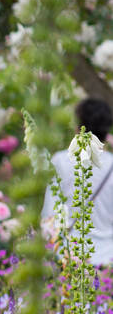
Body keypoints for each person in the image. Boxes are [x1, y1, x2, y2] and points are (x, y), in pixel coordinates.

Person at [42, 97, 113, 265]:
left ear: (78, 126)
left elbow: (49, 215)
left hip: (68, 257)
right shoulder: (111, 164)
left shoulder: (60, 160)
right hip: (108, 258)